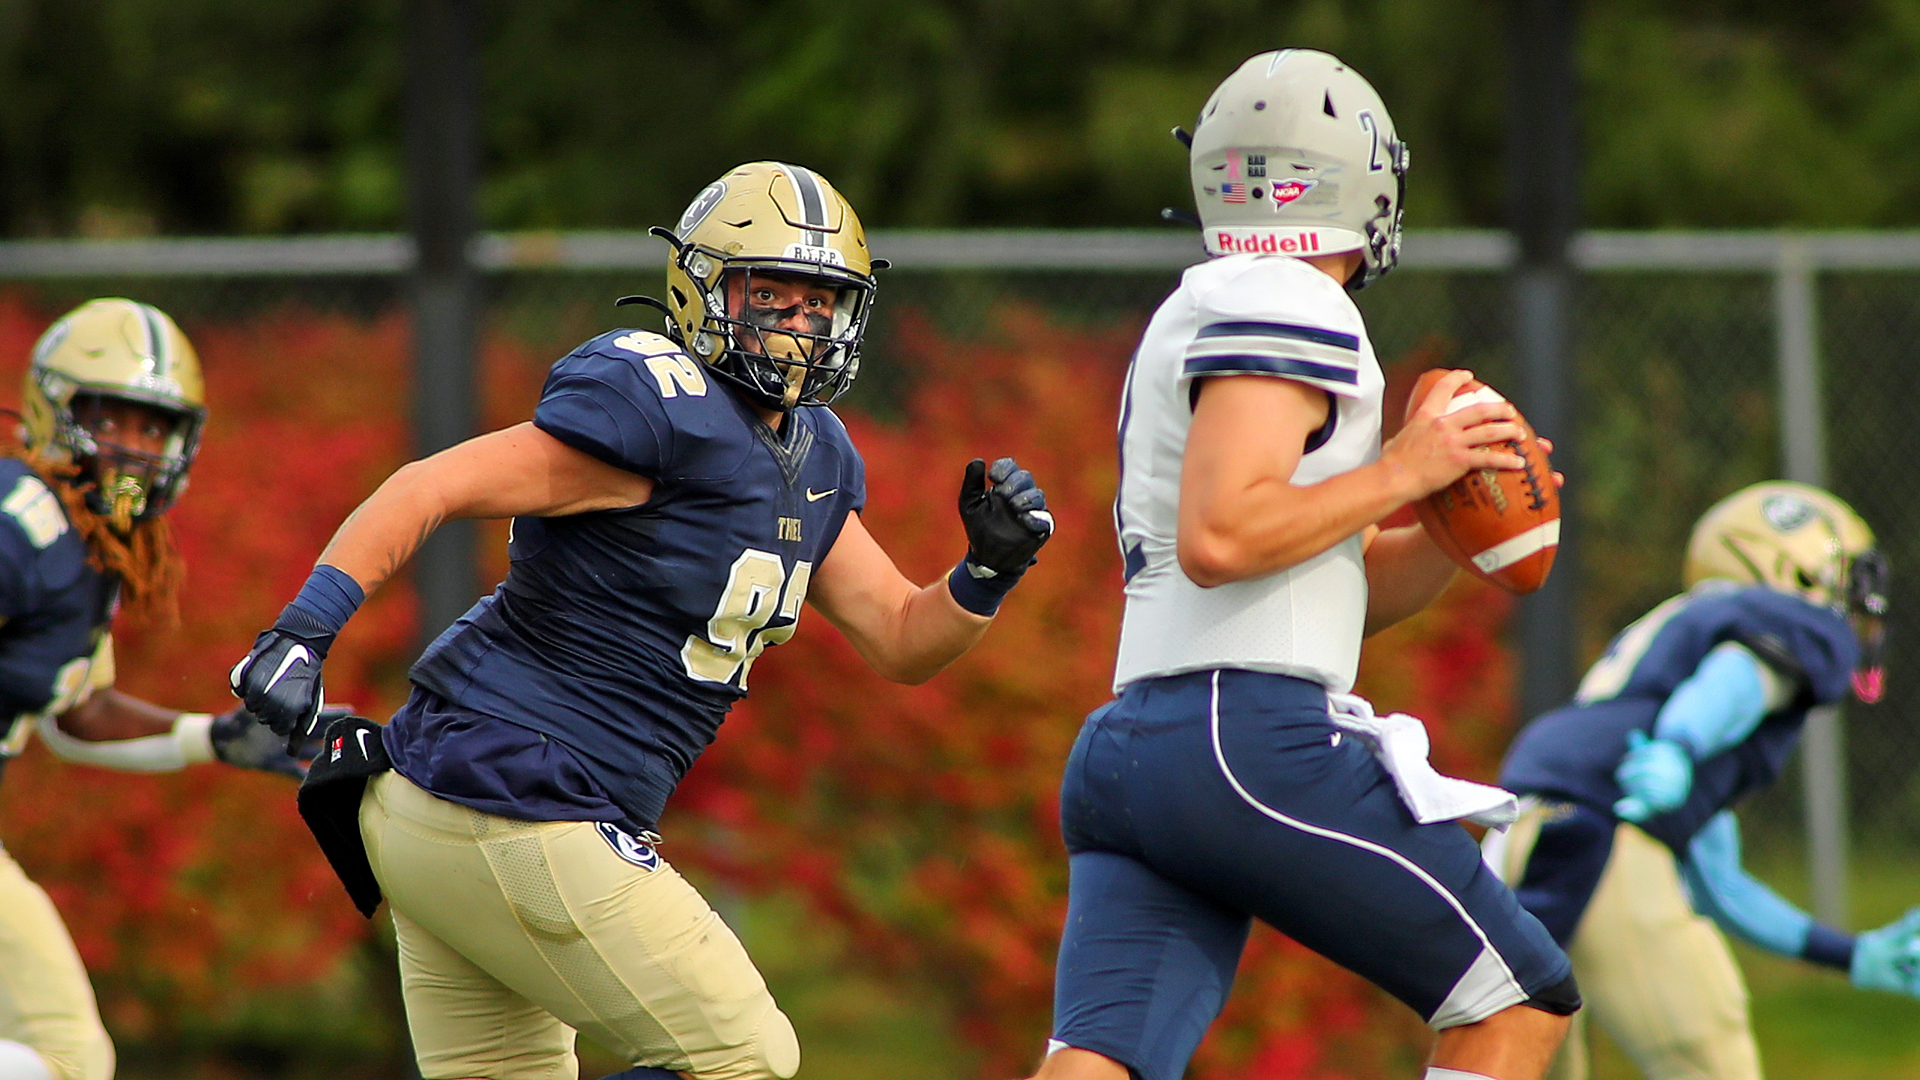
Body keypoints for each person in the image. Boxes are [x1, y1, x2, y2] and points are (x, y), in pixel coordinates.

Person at [229, 161, 1055, 1080]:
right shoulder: (660, 406)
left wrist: (986, 570)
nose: (798, 321)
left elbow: (902, 636)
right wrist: (304, 630)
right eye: (769, 292)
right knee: (746, 1058)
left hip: (449, 810)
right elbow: (432, 486)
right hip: (521, 799)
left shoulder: (814, 453)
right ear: (702, 289)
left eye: (820, 301)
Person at [1024, 51, 1577, 1080]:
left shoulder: (1218, 297)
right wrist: (1411, 466)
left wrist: (1453, 527)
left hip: (1142, 746)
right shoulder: (1291, 298)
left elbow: (1331, 584)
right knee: (1518, 1001)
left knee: (1103, 1058)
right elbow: (1225, 537)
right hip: (1242, 734)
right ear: (1364, 181)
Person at [1488, 481, 1915, 1080]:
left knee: (1520, 1058)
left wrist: (1852, 955)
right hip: (1604, 829)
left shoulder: (1668, 644)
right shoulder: (1774, 630)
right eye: (1848, 581)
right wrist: (1680, 747)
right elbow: (1736, 679)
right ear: (1790, 566)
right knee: (1715, 1060)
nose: (1857, 608)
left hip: (1525, 831)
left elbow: (1722, 886)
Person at [0, 299, 313, 1080]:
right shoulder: (20, 523)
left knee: (71, 1058)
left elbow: (76, 710)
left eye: (154, 428)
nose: (135, 449)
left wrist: (212, 737)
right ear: (55, 407)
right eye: (113, 420)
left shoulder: (82, 543)